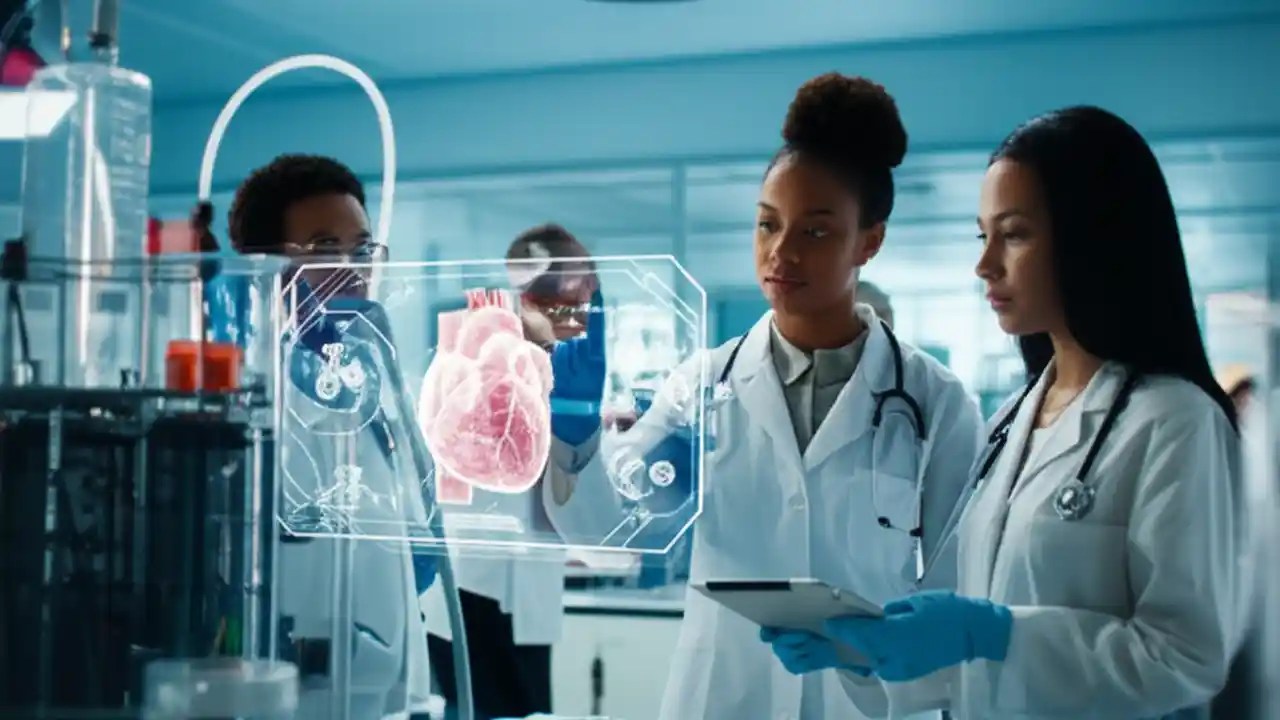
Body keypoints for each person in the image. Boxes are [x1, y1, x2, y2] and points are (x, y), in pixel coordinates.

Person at [763, 106, 1242, 719]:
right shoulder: (1013, 422)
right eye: (982, 235)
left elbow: (1187, 659)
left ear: (1093, 236)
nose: (985, 264)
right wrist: (872, 652)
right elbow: (972, 651)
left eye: (1014, 234)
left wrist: (995, 634)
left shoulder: (1174, 421)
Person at [601, 73, 983, 720]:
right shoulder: (702, 383)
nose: (781, 252)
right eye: (766, 225)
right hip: (723, 697)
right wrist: (598, 449)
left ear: (870, 240)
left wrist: (869, 655)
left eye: (815, 231)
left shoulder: (935, 403)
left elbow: (954, 593)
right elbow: (607, 516)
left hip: (868, 702)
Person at [220, 154, 437, 719]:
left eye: (361, 249)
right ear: (266, 271)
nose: (352, 270)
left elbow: (422, 557)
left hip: (391, 698)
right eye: (323, 250)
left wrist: (388, 395)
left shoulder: (373, 392)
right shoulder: (246, 407)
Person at [421, 223, 611, 720]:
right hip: (469, 585)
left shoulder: (571, 371)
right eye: (557, 285)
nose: (576, 300)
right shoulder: (472, 356)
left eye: (583, 284)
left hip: (526, 591)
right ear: (521, 287)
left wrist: (582, 424)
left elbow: (587, 513)